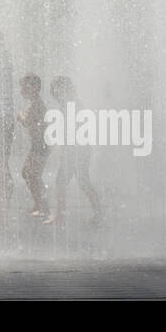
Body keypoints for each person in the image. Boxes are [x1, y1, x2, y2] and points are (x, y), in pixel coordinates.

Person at [44, 75, 102, 226]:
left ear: (66, 90)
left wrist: (69, 151)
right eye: (54, 92)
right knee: (81, 182)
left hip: (77, 150)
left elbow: (75, 130)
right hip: (78, 150)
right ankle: (98, 212)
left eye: (58, 91)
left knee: (63, 182)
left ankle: (61, 216)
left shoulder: (73, 105)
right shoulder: (71, 104)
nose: (56, 95)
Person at [17, 74, 49, 217]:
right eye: (21, 86)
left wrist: (20, 116)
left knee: (33, 175)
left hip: (41, 143)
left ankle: (43, 205)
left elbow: (27, 121)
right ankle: (39, 203)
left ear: (35, 88)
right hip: (37, 143)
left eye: (26, 86)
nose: (22, 90)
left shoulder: (36, 103)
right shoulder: (34, 102)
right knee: (28, 173)